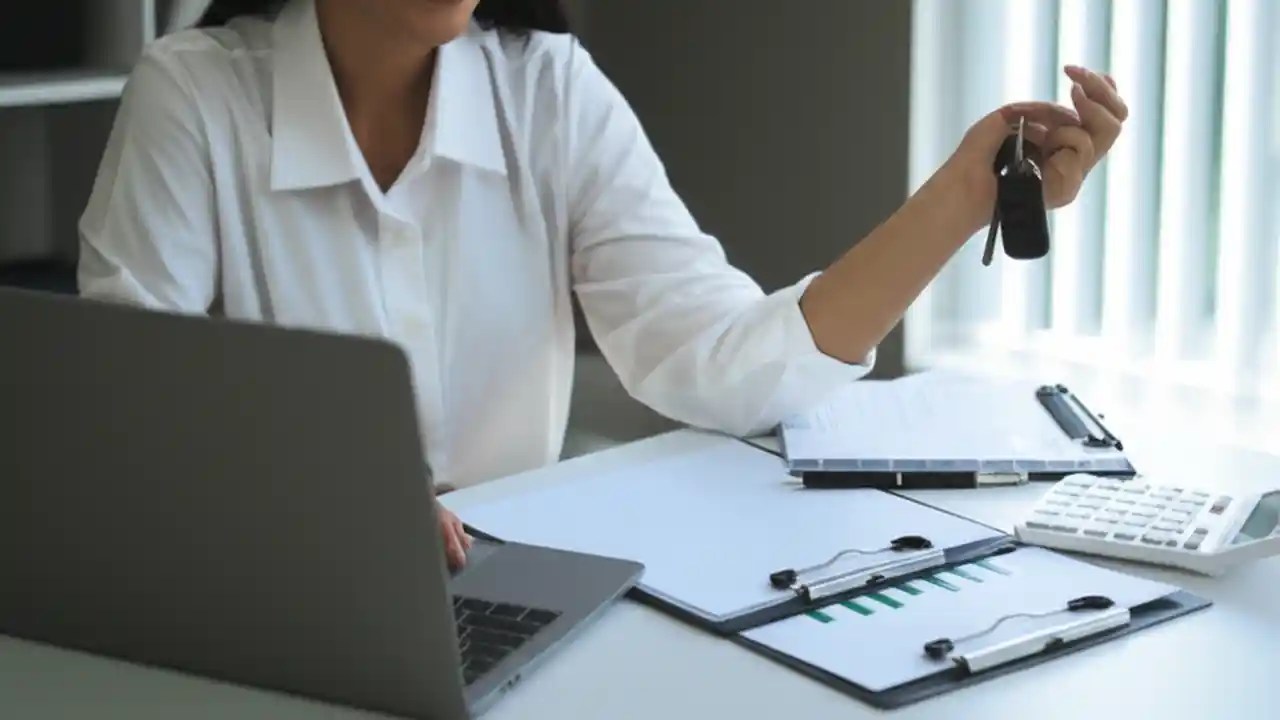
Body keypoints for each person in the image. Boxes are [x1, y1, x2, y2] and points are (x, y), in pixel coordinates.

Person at [77, 0, 1128, 569]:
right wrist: (335, 490)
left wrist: (960, 197)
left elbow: (717, 366)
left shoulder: (546, 87)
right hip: (269, 594)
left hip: (497, 596)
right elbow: (129, 418)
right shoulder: (195, 97)